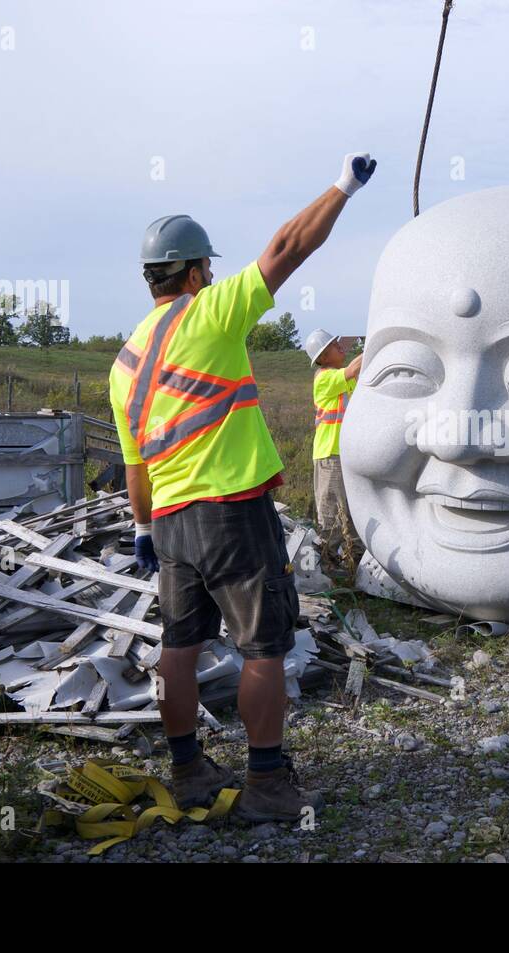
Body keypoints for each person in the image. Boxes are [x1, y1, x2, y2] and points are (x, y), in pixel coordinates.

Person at [108, 153, 377, 816]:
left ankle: (189, 771)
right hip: (230, 510)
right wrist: (345, 183)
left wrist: (144, 532)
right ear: (197, 271)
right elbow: (287, 247)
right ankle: (266, 783)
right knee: (263, 646)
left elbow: (137, 469)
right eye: (209, 269)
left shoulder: (124, 364)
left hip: (169, 522)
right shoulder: (210, 313)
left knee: (178, 644)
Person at [303, 329, 363, 569]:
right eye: (331, 345)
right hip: (330, 454)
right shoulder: (325, 377)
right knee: (332, 515)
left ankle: (356, 565)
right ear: (323, 358)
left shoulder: (340, 377)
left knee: (352, 510)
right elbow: (354, 369)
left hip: (346, 454)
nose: (339, 346)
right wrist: (375, 343)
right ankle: (323, 567)